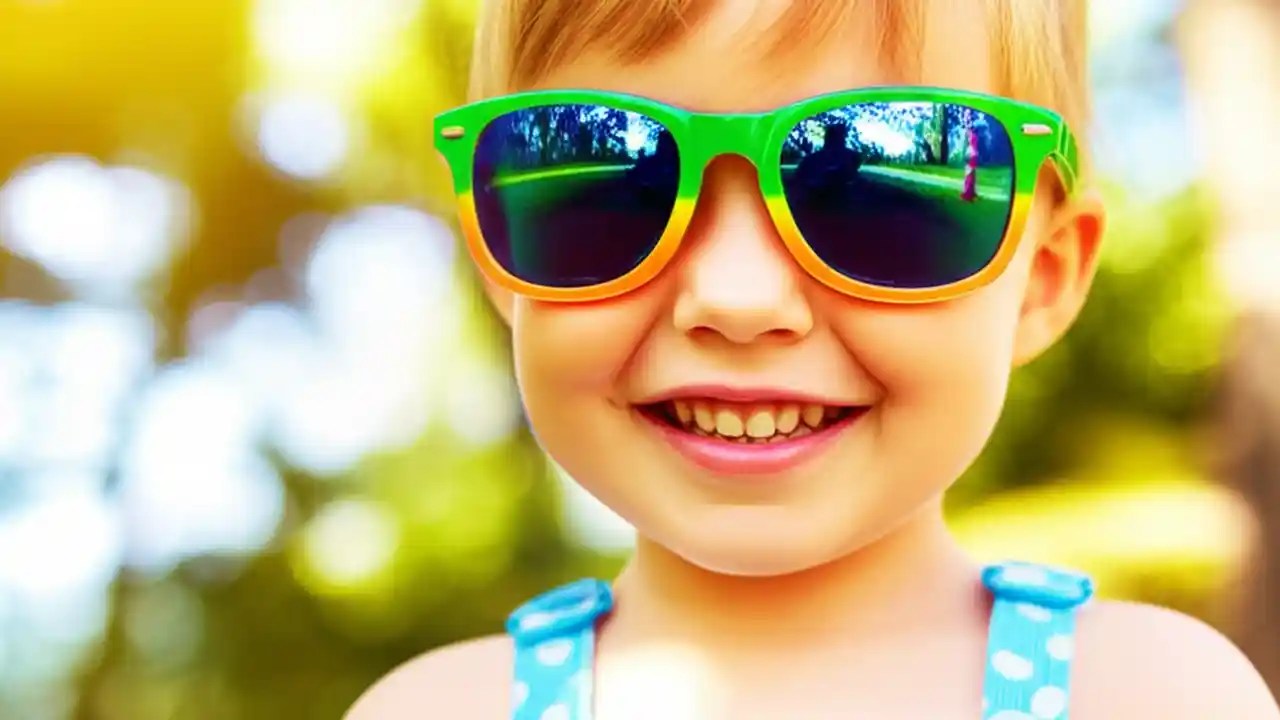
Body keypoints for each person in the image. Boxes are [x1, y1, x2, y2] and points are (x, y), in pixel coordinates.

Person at [347, 0, 1280, 718]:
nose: (739, 298)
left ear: (1040, 277)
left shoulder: (1149, 695)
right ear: (498, 254)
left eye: (877, 185)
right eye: (607, 180)